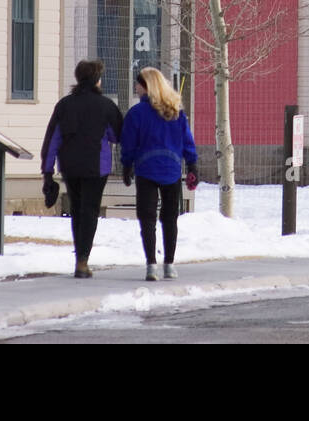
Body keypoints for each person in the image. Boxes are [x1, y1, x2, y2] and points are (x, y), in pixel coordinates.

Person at [40, 59, 123, 278]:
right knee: (90, 211)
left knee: (76, 210)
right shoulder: (106, 106)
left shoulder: (64, 105)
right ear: (97, 79)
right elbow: (117, 136)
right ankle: (83, 260)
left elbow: (53, 139)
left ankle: (80, 257)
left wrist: (47, 172)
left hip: (70, 166)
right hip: (97, 167)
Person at [120, 67, 198, 281]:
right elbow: (187, 141)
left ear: (146, 86)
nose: (136, 87)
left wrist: (127, 166)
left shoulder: (136, 113)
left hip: (146, 170)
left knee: (147, 218)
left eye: (138, 84)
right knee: (170, 217)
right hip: (172, 170)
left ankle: (151, 265)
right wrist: (192, 165)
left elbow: (129, 143)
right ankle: (170, 264)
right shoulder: (175, 111)